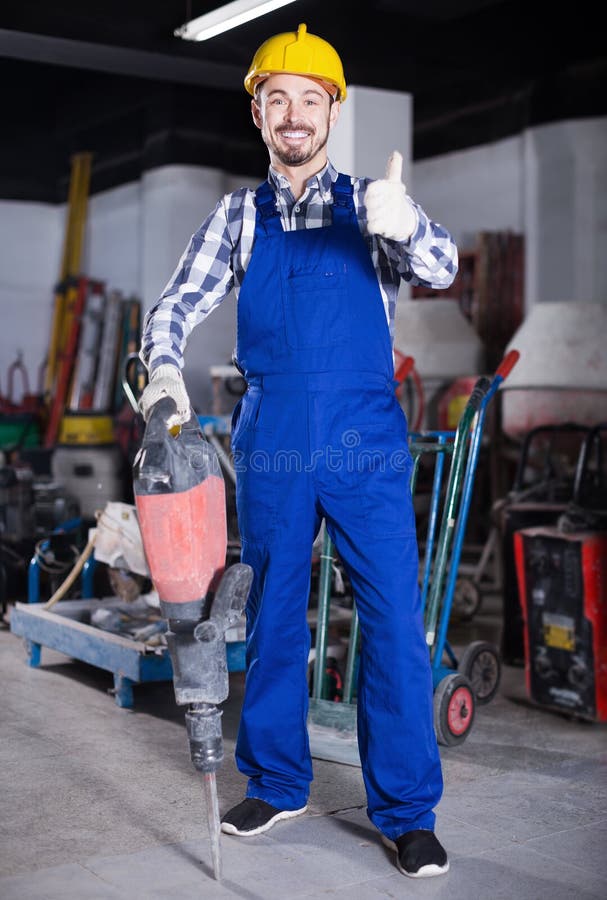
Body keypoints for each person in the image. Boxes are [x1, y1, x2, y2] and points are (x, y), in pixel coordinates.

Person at [139, 23, 458, 879]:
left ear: (329, 113)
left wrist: (409, 219)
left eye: (309, 99)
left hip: (363, 439)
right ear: (257, 114)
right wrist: (162, 366)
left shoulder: (370, 207)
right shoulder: (236, 218)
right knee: (273, 609)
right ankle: (275, 781)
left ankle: (405, 812)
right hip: (272, 433)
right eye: (275, 98)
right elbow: (173, 305)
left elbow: (441, 266)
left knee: (391, 617)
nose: (293, 114)